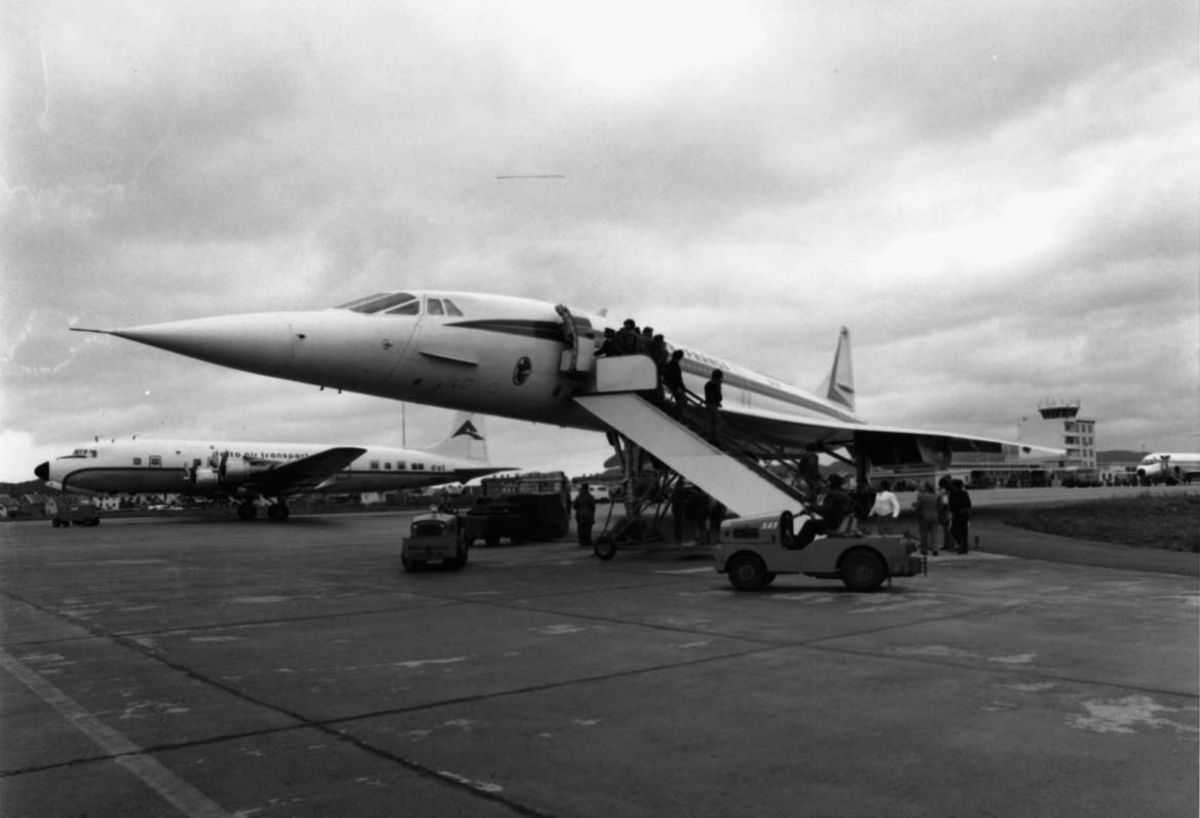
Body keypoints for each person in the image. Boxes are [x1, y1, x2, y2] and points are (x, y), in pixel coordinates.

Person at [795, 474, 854, 543]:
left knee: (809, 524)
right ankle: (804, 544)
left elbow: (824, 510)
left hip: (831, 525)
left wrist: (810, 506)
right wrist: (813, 507)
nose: (826, 483)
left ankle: (798, 543)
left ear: (830, 483)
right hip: (839, 523)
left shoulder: (832, 494)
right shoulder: (844, 494)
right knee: (813, 524)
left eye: (828, 481)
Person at [912, 481, 940, 555]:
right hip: (935, 516)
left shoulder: (921, 495)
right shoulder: (936, 495)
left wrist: (914, 505)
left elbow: (919, 506)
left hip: (924, 516)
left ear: (926, 488)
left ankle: (924, 549)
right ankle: (935, 549)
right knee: (934, 534)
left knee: (924, 534)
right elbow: (939, 506)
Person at [947, 478, 973, 553]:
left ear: (955, 485)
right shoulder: (963, 493)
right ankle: (963, 547)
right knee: (963, 532)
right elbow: (969, 504)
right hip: (963, 514)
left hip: (958, 514)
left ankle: (961, 545)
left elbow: (951, 505)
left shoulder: (953, 494)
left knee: (955, 530)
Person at [704, 369, 724, 439]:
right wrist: (719, 386)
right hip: (713, 407)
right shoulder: (716, 386)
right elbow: (719, 397)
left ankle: (710, 436)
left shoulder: (707, 384)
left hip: (708, 405)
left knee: (710, 422)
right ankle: (715, 438)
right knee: (718, 423)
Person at [670, 479, 688, 544]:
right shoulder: (681, 490)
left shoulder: (674, 491)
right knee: (679, 523)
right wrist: (684, 502)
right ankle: (679, 537)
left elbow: (673, 499)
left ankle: (677, 537)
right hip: (678, 508)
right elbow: (681, 500)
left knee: (677, 523)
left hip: (675, 508)